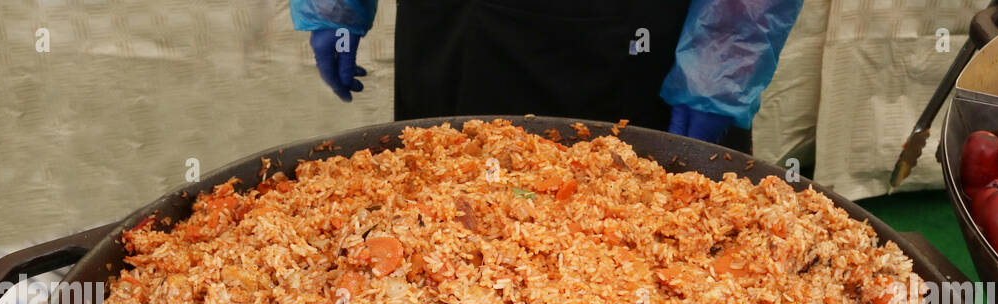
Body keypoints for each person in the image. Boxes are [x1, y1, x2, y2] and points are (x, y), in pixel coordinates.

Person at [291, 0, 803, 148]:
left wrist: (725, 54)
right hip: (453, 26)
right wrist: (333, 6)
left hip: (634, 36)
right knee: (451, 229)